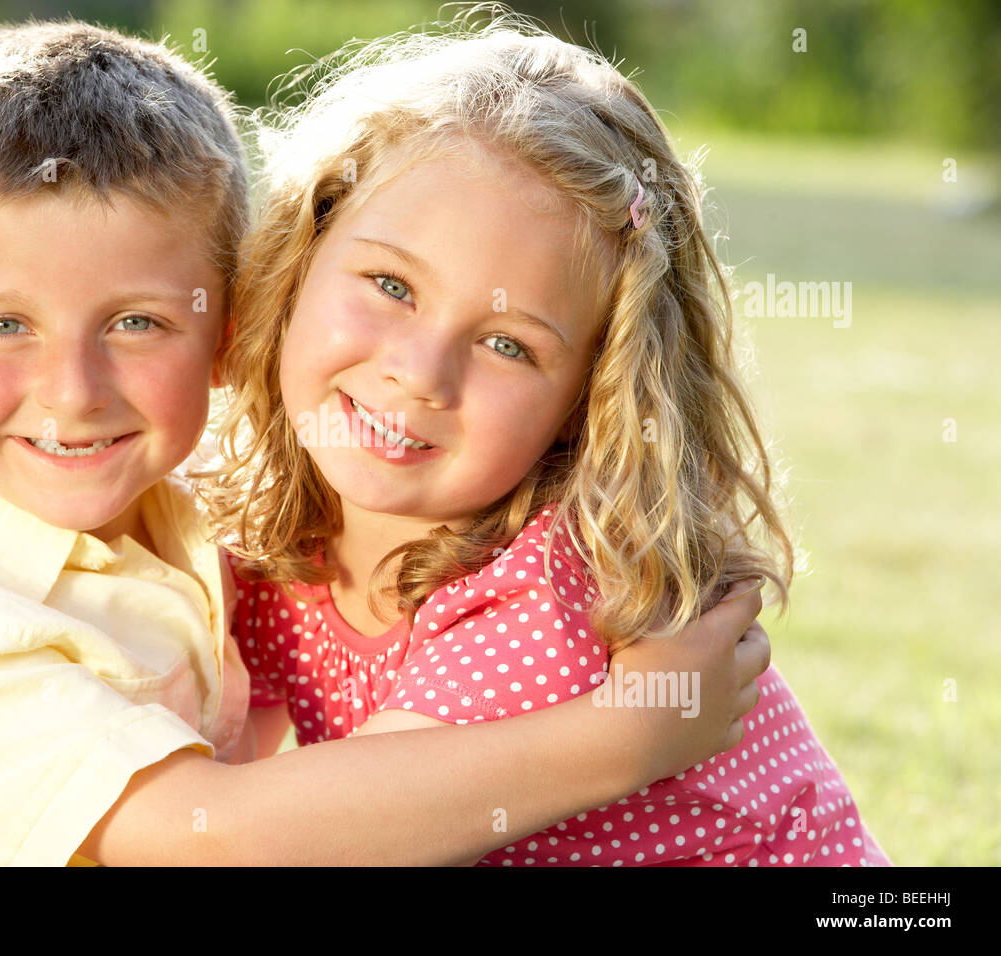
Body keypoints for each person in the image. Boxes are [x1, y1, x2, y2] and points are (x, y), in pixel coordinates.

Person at [0, 19, 769, 866]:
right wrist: (625, 735)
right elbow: (223, 835)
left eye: (138, 322)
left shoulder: (533, 585)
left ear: (231, 326)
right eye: (2, 325)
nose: (73, 392)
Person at [207, 18, 889, 866]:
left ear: (585, 402)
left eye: (508, 345)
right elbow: (234, 748)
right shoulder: (275, 528)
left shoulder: (550, 579)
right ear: (300, 255)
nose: (422, 373)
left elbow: (324, 844)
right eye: (391, 285)